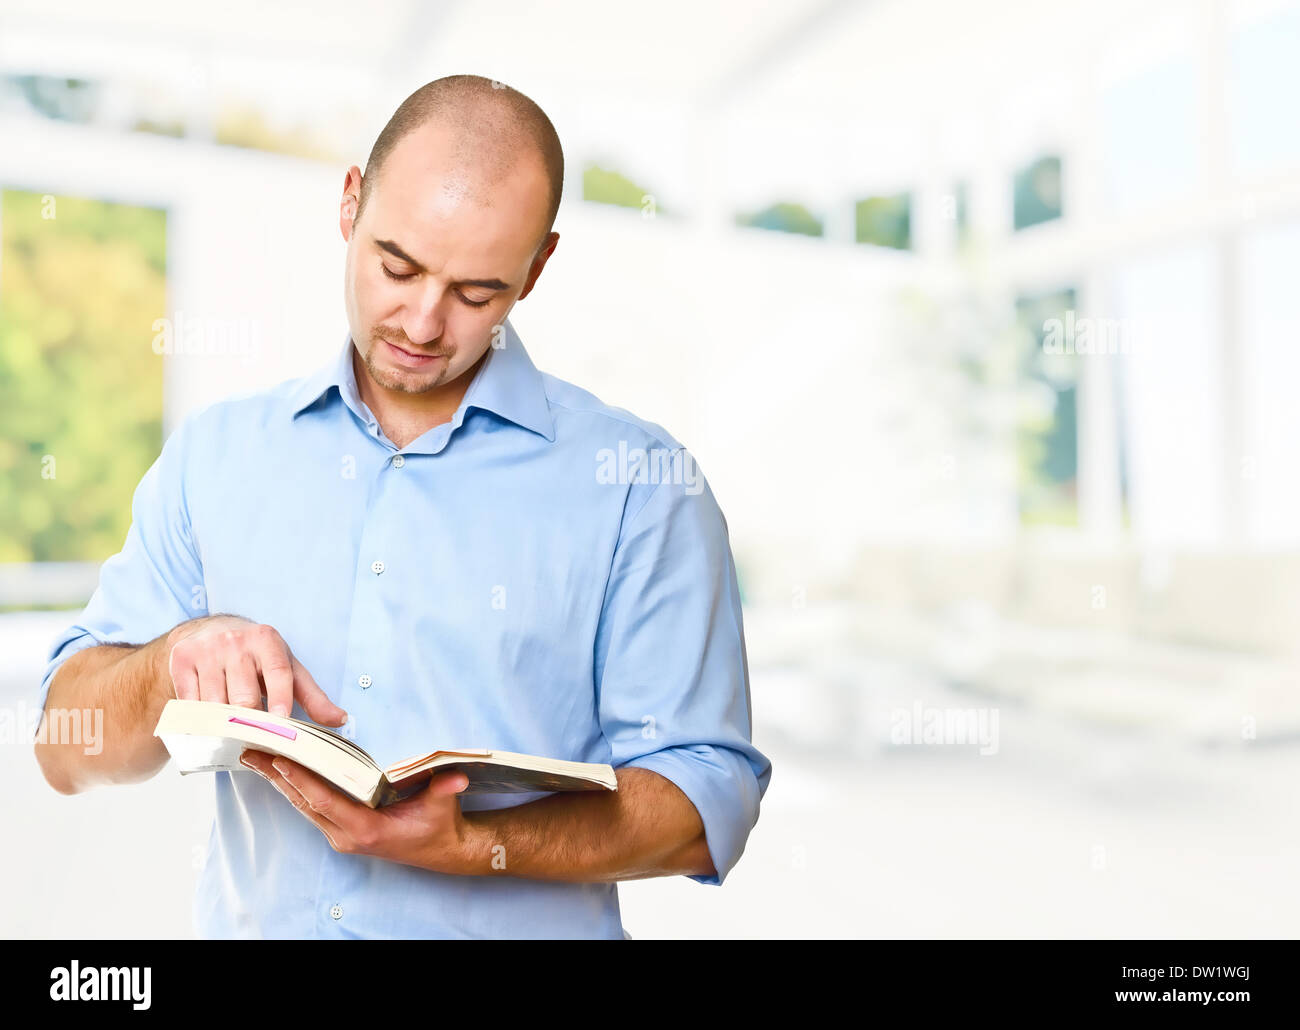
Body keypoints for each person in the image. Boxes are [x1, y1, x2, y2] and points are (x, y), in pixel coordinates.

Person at [33, 73, 770, 939]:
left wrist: (480, 845)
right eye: (398, 265)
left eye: (477, 293)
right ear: (350, 202)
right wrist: (169, 664)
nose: (422, 323)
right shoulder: (217, 455)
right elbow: (64, 747)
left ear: (538, 267)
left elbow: (706, 802)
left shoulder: (641, 487)